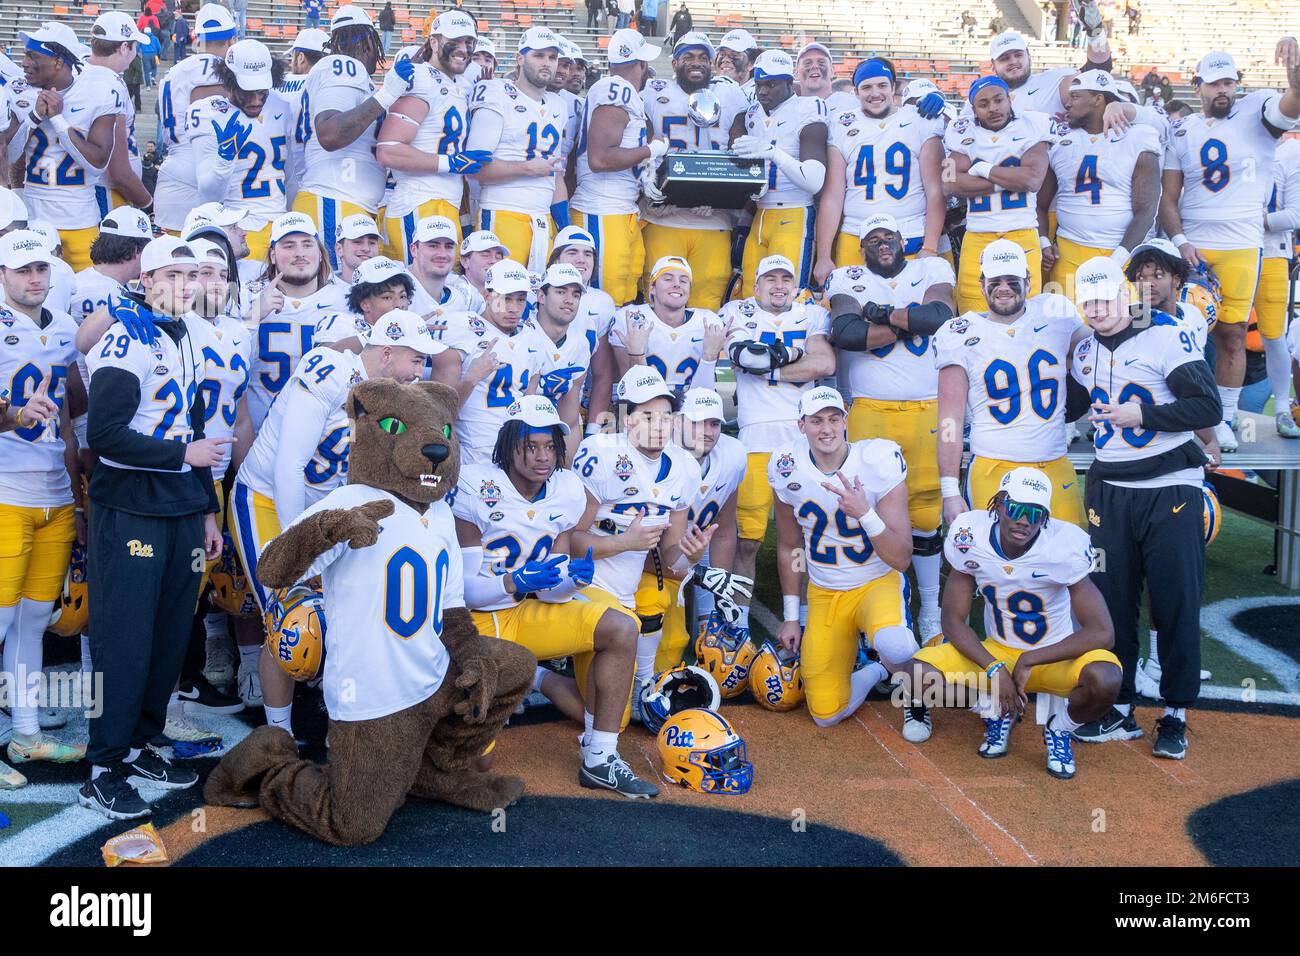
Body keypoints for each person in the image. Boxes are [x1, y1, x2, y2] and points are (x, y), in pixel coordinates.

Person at [230, 309, 439, 738]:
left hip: (329, 513)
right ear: (386, 352)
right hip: (269, 502)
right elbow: (289, 467)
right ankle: (278, 735)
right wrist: (300, 552)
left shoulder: (392, 401)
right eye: (415, 360)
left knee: (347, 617)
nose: (420, 372)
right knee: (290, 619)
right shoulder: (328, 372)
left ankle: (339, 724)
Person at [78, 236, 225, 819]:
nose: (185, 285)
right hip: (132, 504)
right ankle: (102, 766)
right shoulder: (125, 338)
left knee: (168, 638)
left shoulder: (183, 333)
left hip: (178, 506)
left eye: (193, 275)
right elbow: (105, 436)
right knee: (126, 640)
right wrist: (181, 459)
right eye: (173, 275)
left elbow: (186, 422)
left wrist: (204, 506)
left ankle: (141, 744)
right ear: (146, 278)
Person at [452, 398, 656, 797]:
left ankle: (600, 756)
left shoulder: (565, 490)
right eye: (531, 446)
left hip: (530, 610)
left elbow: (553, 584)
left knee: (621, 626)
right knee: (478, 763)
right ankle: (524, 679)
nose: (542, 456)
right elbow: (462, 590)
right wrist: (514, 581)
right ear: (508, 445)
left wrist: (572, 582)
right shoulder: (476, 485)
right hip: (481, 622)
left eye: (550, 446)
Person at [1067, 256, 1223, 759]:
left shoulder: (1165, 334)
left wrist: (1144, 413)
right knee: (1113, 603)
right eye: (1087, 301)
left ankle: (1175, 712)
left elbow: (1207, 408)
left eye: (1104, 299)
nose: (1096, 309)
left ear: (1125, 295)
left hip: (1168, 487)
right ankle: (1121, 707)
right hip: (1111, 488)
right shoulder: (1086, 349)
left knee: (1174, 598)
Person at [908, 468, 1121, 779]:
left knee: (1106, 679)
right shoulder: (972, 536)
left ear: (1045, 518)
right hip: (999, 651)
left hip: (1055, 656)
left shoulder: (1063, 545)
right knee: (916, 678)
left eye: (1035, 514)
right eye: (1017, 509)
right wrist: (995, 668)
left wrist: (1029, 659)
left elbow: (1102, 632)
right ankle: (993, 708)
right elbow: (952, 620)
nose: (1024, 520)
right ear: (998, 506)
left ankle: (1059, 728)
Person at [1159, 44, 1300, 453]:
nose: (1223, 90)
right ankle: (1182, 412)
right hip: (1193, 244)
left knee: (1233, 334)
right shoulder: (1182, 130)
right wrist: (1181, 241)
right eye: (1214, 83)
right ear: (1197, 86)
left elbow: (1294, 100)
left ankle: (1222, 417)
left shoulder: (1257, 112)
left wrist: (1294, 66)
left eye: (1228, 82)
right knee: (1177, 332)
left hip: (1240, 243)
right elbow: (1169, 197)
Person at [827, 215, 956, 641]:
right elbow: (846, 331)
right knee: (869, 507)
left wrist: (881, 318)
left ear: (903, 240)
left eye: (888, 237)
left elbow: (940, 316)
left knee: (925, 511)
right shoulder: (848, 276)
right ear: (861, 248)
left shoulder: (931, 267)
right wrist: (905, 320)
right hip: (870, 407)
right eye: (872, 239)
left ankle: (931, 610)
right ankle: (885, 608)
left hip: (927, 407)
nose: (882, 244)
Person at [770, 386, 923, 736]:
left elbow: (901, 556)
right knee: (825, 713)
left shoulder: (876, 462)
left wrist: (865, 513)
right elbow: (789, 546)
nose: (826, 428)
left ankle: (917, 699)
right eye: (816, 420)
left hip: (876, 582)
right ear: (801, 425)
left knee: (895, 643)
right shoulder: (786, 467)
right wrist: (793, 617)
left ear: (845, 421)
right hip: (825, 592)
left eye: (834, 419)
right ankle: (879, 670)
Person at [569, 366, 707, 722]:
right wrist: (625, 541)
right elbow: (568, 541)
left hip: (630, 589)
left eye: (665, 415)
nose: (659, 424)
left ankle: (644, 682)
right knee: (608, 712)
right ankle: (538, 677)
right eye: (647, 415)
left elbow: (670, 557)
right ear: (626, 419)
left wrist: (691, 555)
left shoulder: (684, 467)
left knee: (621, 708)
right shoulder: (601, 454)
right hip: (588, 585)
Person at [0, 230, 87, 789]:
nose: (34, 278)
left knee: (33, 620)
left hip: (54, 490)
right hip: (6, 491)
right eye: (22, 269)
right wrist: (13, 415)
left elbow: (73, 405)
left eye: (41, 269)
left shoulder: (59, 325)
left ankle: (25, 730)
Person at [935, 239, 1089, 527]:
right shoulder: (958, 333)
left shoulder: (1055, 311)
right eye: (995, 280)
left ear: (1028, 282)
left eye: (1012, 280)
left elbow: (1098, 350)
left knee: (1071, 559)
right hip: (994, 465)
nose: (1003, 287)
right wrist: (949, 491)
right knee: (997, 565)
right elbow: (950, 420)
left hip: (1053, 461)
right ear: (981, 284)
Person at [815, 57, 947, 287]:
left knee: (912, 313)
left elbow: (935, 191)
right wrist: (824, 256)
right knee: (853, 311)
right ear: (856, 91)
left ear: (893, 87)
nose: (875, 93)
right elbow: (833, 196)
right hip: (856, 232)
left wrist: (930, 246)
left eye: (882, 85)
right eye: (867, 87)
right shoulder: (841, 124)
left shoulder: (920, 120)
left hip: (909, 229)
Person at [639, 32, 748, 309]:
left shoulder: (730, 92)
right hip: (664, 218)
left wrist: (722, 194)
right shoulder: (653, 91)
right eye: (688, 57)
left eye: (702, 57)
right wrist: (646, 182)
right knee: (660, 297)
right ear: (674, 63)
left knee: (707, 301)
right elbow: (642, 141)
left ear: (712, 63)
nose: (695, 63)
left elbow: (740, 150)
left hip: (715, 219)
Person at [293, 5, 406, 267]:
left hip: (347, 203)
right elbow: (330, 134)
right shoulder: (343, 66)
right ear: (367, 40)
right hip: (335, 201)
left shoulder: (346, 75)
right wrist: (386, 96)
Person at [1037, 70, 1161, 298]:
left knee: (1127, 326)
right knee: (1065, 326)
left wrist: (1118, 260)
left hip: (1122, 253)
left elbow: (1147, 211)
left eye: (1075, 97)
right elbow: (1039, 204)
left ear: (1098, 98)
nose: (1067, 103)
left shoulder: (1138, 136)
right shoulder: (1060, 140)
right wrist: (1044, 240)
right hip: (1068, 252)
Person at [376, 11, 487, 262]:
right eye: (455, 41)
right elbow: (388, 149)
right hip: (419, 202)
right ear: (434, 43)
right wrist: (451, 162)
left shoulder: (460, 83)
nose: (463, 49)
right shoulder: (421, 78)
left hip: (444, 202)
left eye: (469, 42)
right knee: (414, 292)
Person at [10, 22, 118, 273]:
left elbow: (97, 163)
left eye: (32, 55)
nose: (24, 62)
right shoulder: (20, 92)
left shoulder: (97, 93)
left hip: (80, 223)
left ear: (58, 61)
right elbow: (11, 155)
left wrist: (58, 119)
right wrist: (34, 117)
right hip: (34, 223)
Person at [943, 76, 1053, 313]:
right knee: (973, 313)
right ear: (973, 109)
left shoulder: (1033, 124)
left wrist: (983, 170)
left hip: (1022, 233)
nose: (993, 108)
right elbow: (949, 182)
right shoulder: (961, 131)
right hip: (978, 235)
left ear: (1009, 99)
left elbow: (1032, 180)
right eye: (983, 104)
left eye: (998, 100)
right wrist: (1011, 180)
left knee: (1027, 313)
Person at [571, 28, 664, 309]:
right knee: (601, 305)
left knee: (621, 305)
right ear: (642, 65)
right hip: (602, 211)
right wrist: (650, 150)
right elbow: (599, 160)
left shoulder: (623, 92)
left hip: (620, 211)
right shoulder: (618, 89)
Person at [464, 27, 568, 272]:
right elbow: (473, 166)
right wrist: (526, 168)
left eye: (552, 58)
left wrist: (565, 227)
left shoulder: (558, 104)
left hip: (543, 219)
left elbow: (556, 174)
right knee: (500, 297)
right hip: (503, 212)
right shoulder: (496, 91)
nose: (547, 63)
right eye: (539, 55)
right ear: (520, 58)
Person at [728, 50, 829, 292]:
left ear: (788, 82)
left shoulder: (808, 107)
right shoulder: (752, 113)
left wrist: (774, 154)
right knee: (750, 295)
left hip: (793, 213)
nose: (762, 91)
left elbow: (814, 180)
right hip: (760, 214)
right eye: (759, 84)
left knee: (787, 294)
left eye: (770, 84)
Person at [242, 212, 348, 427]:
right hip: (256, 432)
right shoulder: (246, 297)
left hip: (322, 434)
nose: (299, 253)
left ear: (320, 253)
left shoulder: (347, 300)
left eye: (307, 244)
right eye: (289, 245)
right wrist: (252, 317)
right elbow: (225, 367)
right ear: (272, 255)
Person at [190, 40, 292, 262]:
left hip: (283, 227)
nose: (256, 100)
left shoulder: (283, 105)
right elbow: (208, 195)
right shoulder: (210, 113)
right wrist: (225, 158)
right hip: (242, 228)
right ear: (229, 81)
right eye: (248, 91)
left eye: (262, 92)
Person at [441, 260, 552, 464]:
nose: (514, 308)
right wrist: (472, 378)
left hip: (515, 453)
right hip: (470, 453)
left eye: (520, 300)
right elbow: (438, 413)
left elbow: (529, 409)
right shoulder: (460, 327)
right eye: (505, 299)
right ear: (487, 296)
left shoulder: (534, 339)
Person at [153, 3, 239, 235]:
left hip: (173, 169)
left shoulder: (173, 72)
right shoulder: (226, 70)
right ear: (232, 39)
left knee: (175, 263)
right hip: (208, 167)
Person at [607, 255, 726, 394]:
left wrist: (709, 357)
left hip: (693, 408)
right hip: (644, 407)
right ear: (652, 288)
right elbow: (629, 391)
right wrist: (636, 355)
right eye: (668, 279)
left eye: (684, 280)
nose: (677, 284)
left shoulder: (708, 322)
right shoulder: (629, 319)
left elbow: (705, 397)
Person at [1255, 135, 1300, 436]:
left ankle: (1283, 408)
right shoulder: (1227, 141)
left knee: (1274, 335)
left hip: (1269, 252)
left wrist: (1241, 221)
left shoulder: (1289, 153)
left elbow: (1295, 214)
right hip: (1219, 251)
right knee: (1216, 332)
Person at [86, 11, 153, 211]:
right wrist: (148, 204)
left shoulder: (82, 73)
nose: (135, 53)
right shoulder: (110, 84)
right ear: (124, 47)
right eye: (134, 46)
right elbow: (118, 171)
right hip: (108, 193)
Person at [528, 263, 595, 440]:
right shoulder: (521, 334)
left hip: (556, 432)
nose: (569, 300)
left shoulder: (580, 343)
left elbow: (569, 420)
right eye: (560, 292)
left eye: (575, 294)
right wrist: (541, 388)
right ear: (541, 296)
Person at [278, 28, 330, 203]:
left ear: (300, 57)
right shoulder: (329, 86)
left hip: (282, 178)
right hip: (319, 181)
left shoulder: (275, 84)